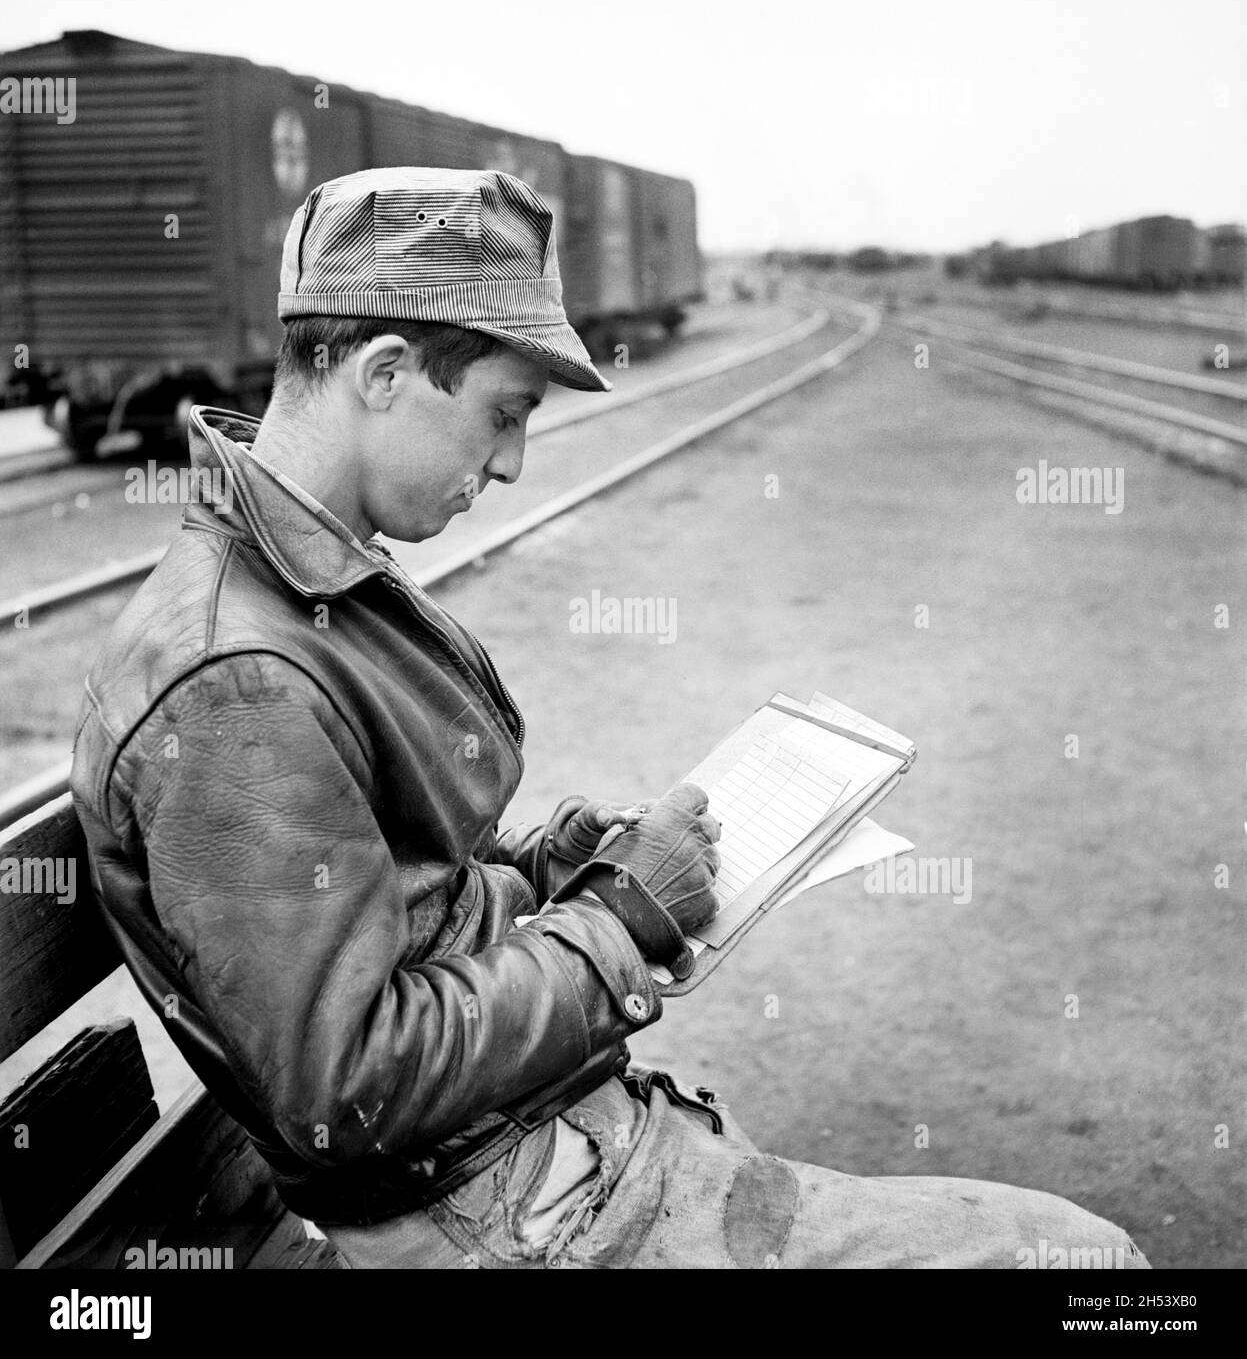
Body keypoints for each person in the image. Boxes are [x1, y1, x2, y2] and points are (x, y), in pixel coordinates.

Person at [71, 167, 1148, 1269]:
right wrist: (621, 921)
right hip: (490, 1215)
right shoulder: (234, 681)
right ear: (386, 374)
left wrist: (548, 868)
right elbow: (344, 1088)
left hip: (533, 1159)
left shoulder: (294, 586)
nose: (509, 463)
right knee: (1082, 1263)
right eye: (504, 413)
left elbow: (388, 904)